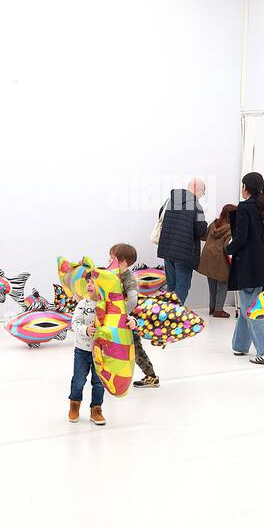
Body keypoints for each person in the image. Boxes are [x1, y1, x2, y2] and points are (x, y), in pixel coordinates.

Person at [227, 171, 264, 364]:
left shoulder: (245, 207)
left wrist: (227, 249)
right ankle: (240, 345)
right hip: (260, 264)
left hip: (247, 265)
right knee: (248, 304)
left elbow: (241, 238)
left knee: (250, 308)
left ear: (246, 187)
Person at [111, 243, 160, 389]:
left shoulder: (129, 278)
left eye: (112, 258)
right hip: (114, 319)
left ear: (122, 262)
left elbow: (133, 300)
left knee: (135, 348)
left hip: (127, 321)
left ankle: (151, 377)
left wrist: (122, 315)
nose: (109, 261)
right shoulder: (114, 275)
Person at [156, 178, 207, 305]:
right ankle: (175, 313)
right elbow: (201, 231)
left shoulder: (169, 201)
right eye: (203, 192)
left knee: (171, 285)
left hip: (168, 250)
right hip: (184, 253)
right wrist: (205, 224)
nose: (201, 196)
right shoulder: (197, 206)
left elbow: (161, 217)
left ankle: (167, 312)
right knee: (182, 286)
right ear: (197, 189)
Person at [68, 278, 107, 426]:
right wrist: (86, 329)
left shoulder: (109, 305)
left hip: (101, 352)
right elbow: (74, 323)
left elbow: (122, 316)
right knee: (78, 380)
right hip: (82, 351)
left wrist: (132, 321)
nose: (89, 285)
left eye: (93, 282)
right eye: (88, 282)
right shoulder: (82, 304)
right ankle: (74, 405)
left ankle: (96, 409)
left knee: (99, 382)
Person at [199, 203, 236, 317]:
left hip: (208, 257)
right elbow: (227, 247)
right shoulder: (231, 228)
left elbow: (204, 236)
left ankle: (212, 307)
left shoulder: (214, 224)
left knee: (212, 285)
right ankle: (218, 310)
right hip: (220, 259)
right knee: (223, 284)